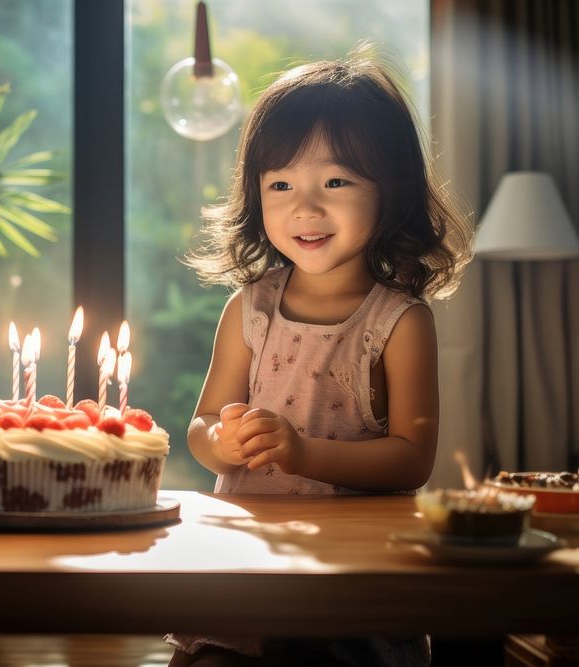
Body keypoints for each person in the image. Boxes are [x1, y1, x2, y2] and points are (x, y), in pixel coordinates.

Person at [166, 44, 472, 667]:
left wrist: (304, 454)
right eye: (280, 183)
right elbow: (199, 428)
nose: (305, 206)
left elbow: (412, 461)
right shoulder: (248, 309)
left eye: (336, 181)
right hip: (247, 566)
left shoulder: (400, 321)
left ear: (391, 192)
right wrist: (222, 445)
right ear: (255, 195)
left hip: (351, 579)